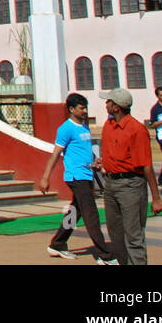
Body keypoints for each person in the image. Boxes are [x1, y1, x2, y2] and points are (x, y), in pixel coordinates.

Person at [40, 92, 115, 263]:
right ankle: (104, 255)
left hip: (87, 174)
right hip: (76, 176)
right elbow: (55, 154)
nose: (85, 111)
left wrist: (94, 161)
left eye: (86, 108)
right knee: (91, 215)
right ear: (71, 109)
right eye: (81, 108)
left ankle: (58, 243)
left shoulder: (85, 126)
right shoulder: (65, 129)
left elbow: (84, 150)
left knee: (76, 211)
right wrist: (45, 177)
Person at [99, 88, 162, 264]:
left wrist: (156, 198)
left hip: (131, 186)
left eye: (109, 102)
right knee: (116, 234)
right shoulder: (109, 126)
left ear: (116, 108)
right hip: (111, 184)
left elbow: (146, 166)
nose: (106, 104)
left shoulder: (136, 130)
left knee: (133, 236)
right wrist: (104, 162)